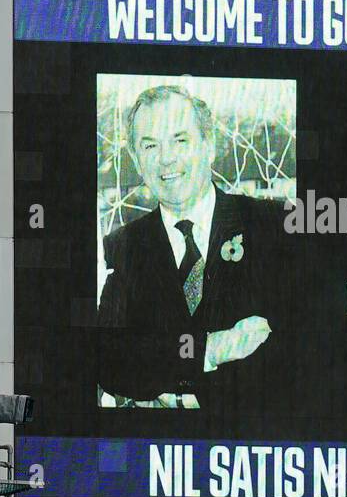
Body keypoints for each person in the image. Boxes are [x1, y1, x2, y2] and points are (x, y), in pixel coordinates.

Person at [97, 85, 296, 413]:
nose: (166, 158)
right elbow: (110, 359)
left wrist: (162, 371)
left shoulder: (273, 225)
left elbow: (298, 350)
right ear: (135, 158)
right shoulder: (124, 245)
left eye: (179, 140)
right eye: (150, 146)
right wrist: (213, 348)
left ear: (209, 145)